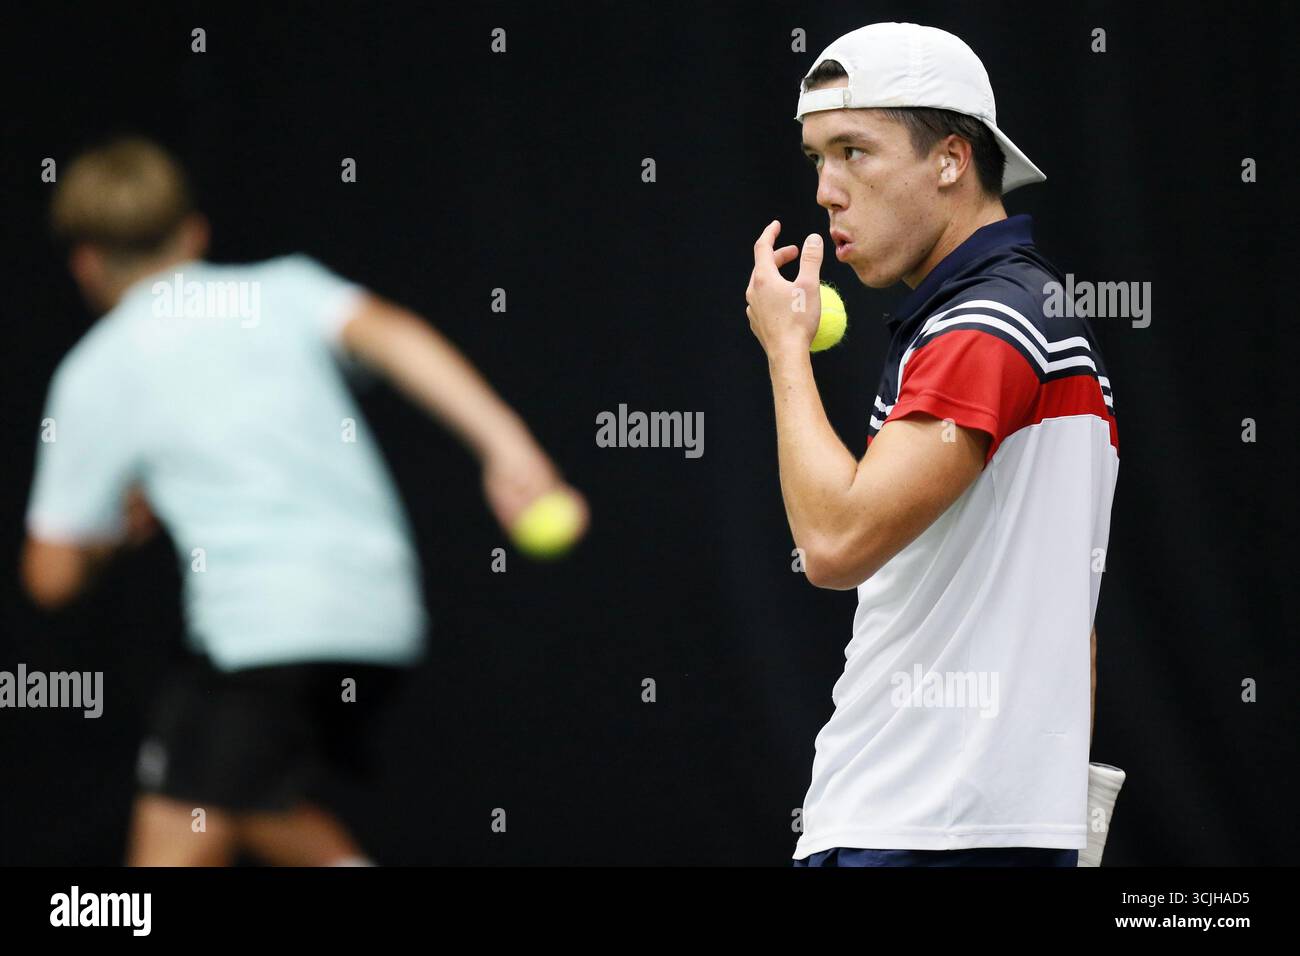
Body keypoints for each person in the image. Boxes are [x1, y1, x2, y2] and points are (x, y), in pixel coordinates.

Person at [22, 136, 588, 866]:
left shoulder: (93, 373)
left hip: (259, 635)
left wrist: (116, 533)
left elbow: (50, 577)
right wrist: (509, 446)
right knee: (238, 803)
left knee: (183, 819)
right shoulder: (286, 289)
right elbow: (392, 331)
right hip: (380, 614)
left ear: (86, 262)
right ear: (193, 233)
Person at [744, 23, 1120, 866]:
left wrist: (784, 352)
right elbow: (1073, 620)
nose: (827, 192)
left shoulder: (987, 322)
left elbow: (834, 544)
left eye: (855, 152)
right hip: (978, 825)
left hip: (917, 827)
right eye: (817, 160)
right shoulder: (1023, 310)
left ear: (952, 159)